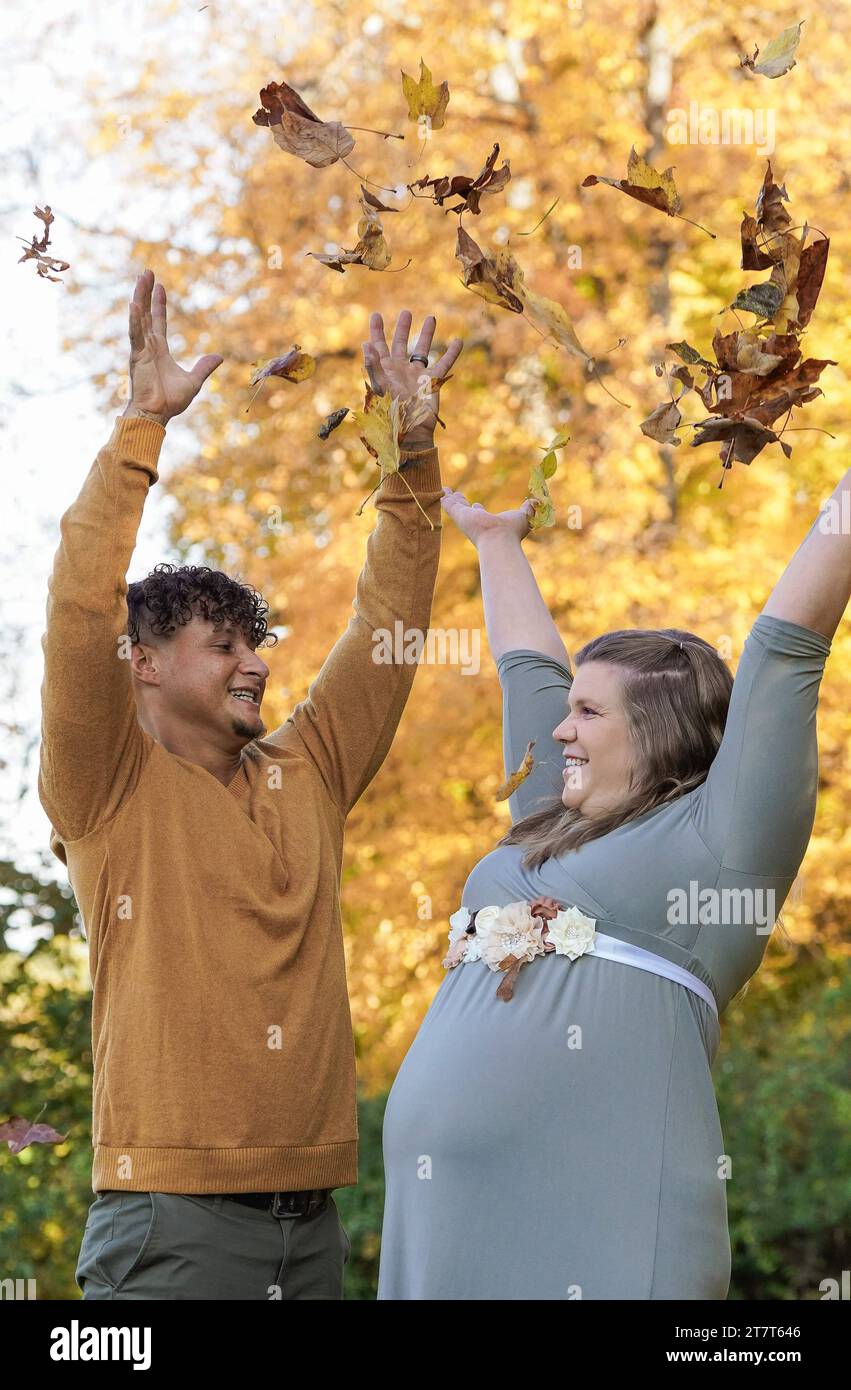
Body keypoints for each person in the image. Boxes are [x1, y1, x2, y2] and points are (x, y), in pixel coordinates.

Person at [39, 268, 462, 1299]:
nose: (257, 663)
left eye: (256, 643)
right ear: (143, 664)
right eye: (223, 646)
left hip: (311, 1230)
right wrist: (142, 428)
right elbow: (79, 610)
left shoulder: (308, 768)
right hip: (168, 1224)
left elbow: (391, 622)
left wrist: (408, 447)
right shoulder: (106, 786)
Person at [377, 473, 848, 1300]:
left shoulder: (719, 844)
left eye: (589, 713)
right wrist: (495, 543)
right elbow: (526, 669)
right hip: (445, 1232)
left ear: (657, 732)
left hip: (610, 1229)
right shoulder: (544, 819)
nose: (561, 728)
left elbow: (786, 644)